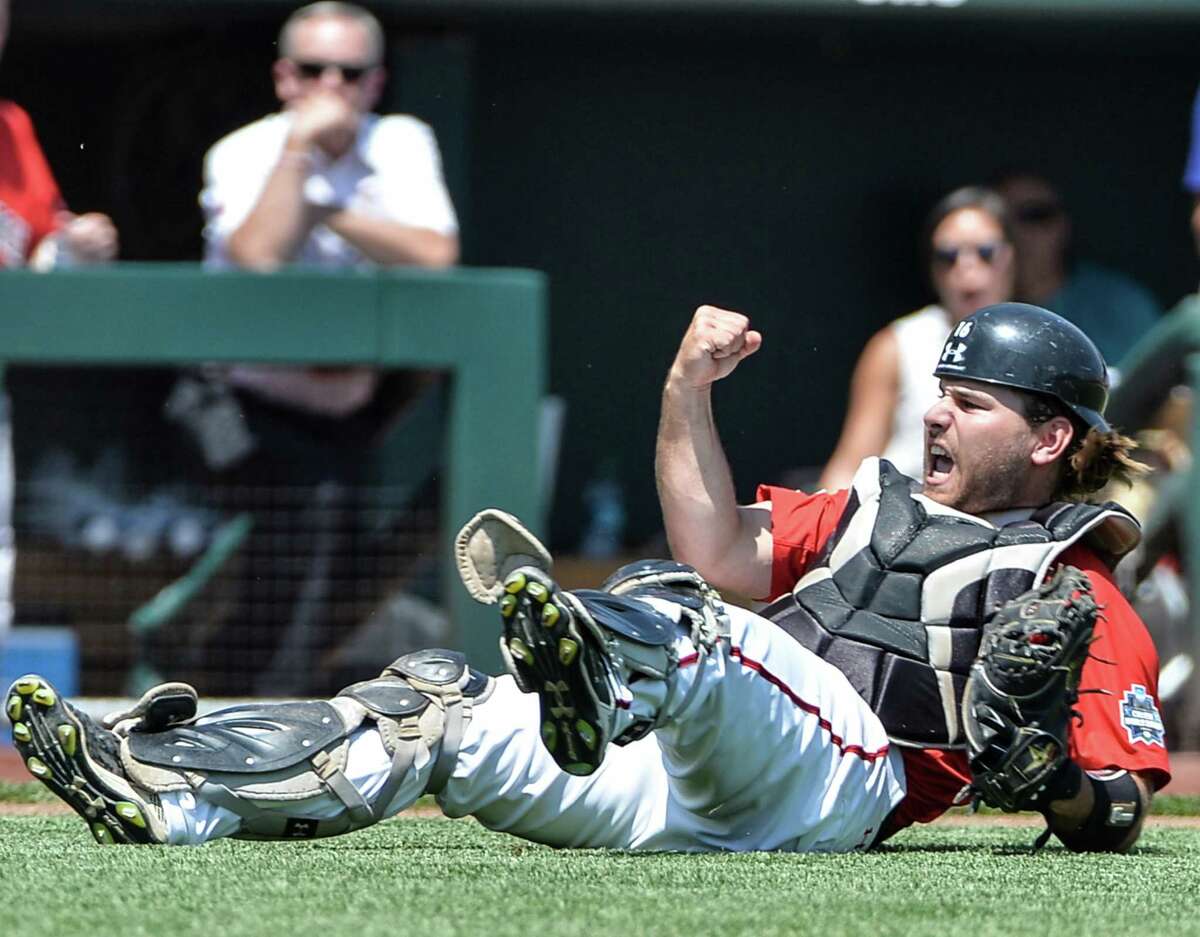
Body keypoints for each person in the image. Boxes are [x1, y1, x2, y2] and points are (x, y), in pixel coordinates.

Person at [7, 302, 1169, 854]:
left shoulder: (1071, 582)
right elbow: (725, 547)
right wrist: (684, 388)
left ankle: (595, 673)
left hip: (836, 787)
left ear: (1051, 436)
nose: (935, 411)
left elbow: (1124, 803)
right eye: (942, 388)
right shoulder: (870, 505)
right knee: (435, 710)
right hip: (674, 777)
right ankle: (173, 796)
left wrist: (1057, 779)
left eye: (969, 401)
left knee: (693, 620)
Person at [178, 1, 461, 695]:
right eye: (312, 69)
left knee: (327, 557)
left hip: (350, 411)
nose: (331, 85)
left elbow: (435, 254)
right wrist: (301, 150)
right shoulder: (244, 150)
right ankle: (231, 698)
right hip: (236, 402)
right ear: (283, 77)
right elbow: (259, 255)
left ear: (375, 80)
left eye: (350, 71)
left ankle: (259, 702)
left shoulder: (399, 140)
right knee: (285, 549)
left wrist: (328, 209)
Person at [819, 186, 1014, 490]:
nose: (965, 266)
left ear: (1011, 256)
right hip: (909, 520)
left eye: (985, 252)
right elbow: (848, 468)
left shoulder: (1050, 344)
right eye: (947, 255)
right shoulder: (897, 345)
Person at [993, 170, 1160, 368]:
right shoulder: (972, 305)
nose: (1017, 232)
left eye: (1035, 215)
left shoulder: (1121, 305)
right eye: (1001, 220)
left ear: (1063, 225)